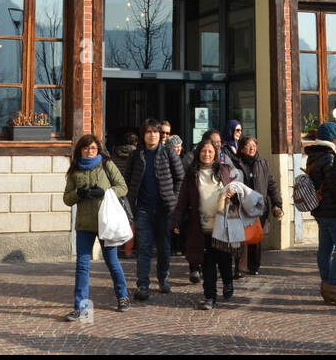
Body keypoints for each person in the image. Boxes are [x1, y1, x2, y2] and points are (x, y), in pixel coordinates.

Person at [61, 134, 130, 319]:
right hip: (84, 224)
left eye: (93, 148)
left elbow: (123, 187)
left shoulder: (106, 165)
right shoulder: (75, 170)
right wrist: (79, 193)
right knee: (82, 266)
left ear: (98, 149)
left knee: (112, 262)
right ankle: (81, 308)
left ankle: (123, 296)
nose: (89, 151)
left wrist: (105, 192)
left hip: (105, 223)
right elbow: (67, 199)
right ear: (80, 150)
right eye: (86, 148)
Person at [171, 138, 245, 309]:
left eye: (210, 151)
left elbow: (236, 192)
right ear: (198, 153)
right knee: (207, 263)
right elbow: (182, 200)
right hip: (201, 227)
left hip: (222, 226)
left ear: (215, 154)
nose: (206, 154)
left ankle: (228, 282)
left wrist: (231, 195)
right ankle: (210, 297)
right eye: (204, 151)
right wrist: (176, 220)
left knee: (225, 260)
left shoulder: (224, 170)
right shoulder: (192, 174)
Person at [125, 119, 185, 301]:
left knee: (164, 247)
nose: (152, 135)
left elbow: (180, 178)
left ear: (160, 135)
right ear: (143, 135)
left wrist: (173, 199)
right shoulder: (136, 155)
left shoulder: (168, 153)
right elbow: (127, 181)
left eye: (155, 132)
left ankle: (163, 279)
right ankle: (143, 285)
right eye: (149, 132)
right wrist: (130, 204)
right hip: (142, 208)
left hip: (164, 209)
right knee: (143, 248)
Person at [305, 122, 336, 305]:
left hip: (320, 210)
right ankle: (333, 286)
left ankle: (326, 285)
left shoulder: (314, 156)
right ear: (333, 138)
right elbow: (335, 186)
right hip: (333, 211)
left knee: (324, 249)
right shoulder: (330, 159)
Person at [235, 136, 283, 276]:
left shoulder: (263, 162)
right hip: (241, 206)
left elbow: (271, 184)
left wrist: (277, 203)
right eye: (248, 145)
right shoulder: (236, 163)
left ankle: (253, 266)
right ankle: (240, 267)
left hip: (258, 207)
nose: (252, 148)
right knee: (241, 238)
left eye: (254, 145)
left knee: (255, 237)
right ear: (241, 147)